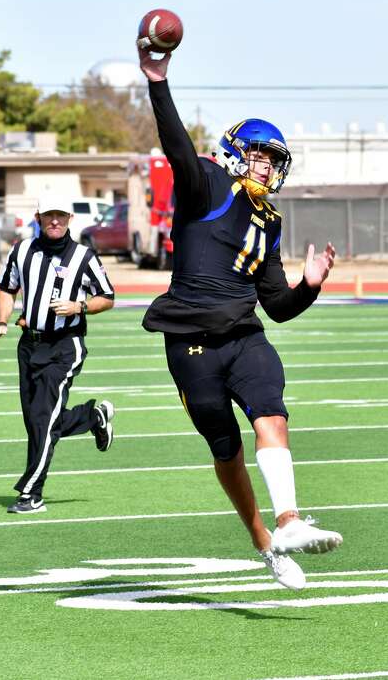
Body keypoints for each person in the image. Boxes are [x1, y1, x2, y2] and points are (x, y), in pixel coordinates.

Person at [136, 41, 342, 592]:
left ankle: (290, 520)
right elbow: (176, 144)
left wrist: (310, 286)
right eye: (261, 156)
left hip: (245, 335)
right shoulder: (206, 183)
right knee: (224, 448)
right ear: (234, 152)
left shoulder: (268, 220)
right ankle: (265, 545)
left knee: (271, 414)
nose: (268, 167)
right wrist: (157, 79)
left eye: (275, 161)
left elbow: (276, 305)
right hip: (190, 339)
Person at [0, 196, 116, 514]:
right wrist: (2, 322)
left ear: (70, 218)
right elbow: (7, 287)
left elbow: (108, 296)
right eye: (49, 216)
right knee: (37, 421)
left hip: (65, 345)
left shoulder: (83, 256)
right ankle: (93, 417)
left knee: (44, 420)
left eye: (60, 215)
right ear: (38, 217)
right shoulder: (22, 250)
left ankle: (31, 493)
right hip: (29, 345)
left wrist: (80, 306)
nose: (55, 221)